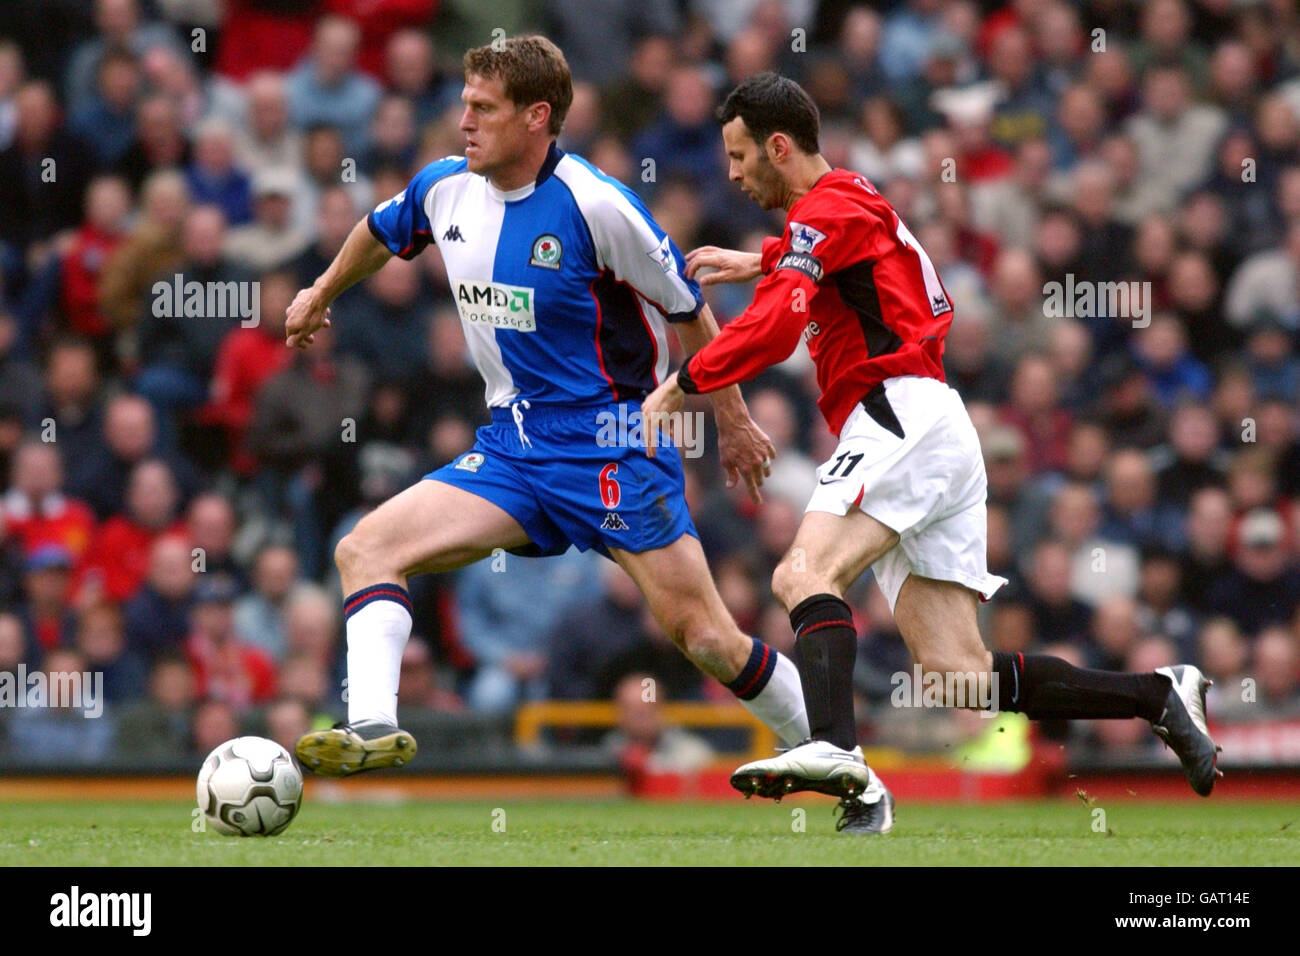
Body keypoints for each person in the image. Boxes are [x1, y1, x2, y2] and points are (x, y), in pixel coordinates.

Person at [640, 73, 1221, 833]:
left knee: (802, 571)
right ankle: (1157, 694)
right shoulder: (846, 200)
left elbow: (780, 328)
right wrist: (766, 261)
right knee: (957, 678)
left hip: (898, 410)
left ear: (779, 146)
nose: (733, 172)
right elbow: (843, 260)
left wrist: (683, 382)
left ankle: (840, 752)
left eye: (741, 154)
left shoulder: (830, 208)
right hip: (932, 424)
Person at [285, 39, 832, 809]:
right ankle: (373, 725)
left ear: (537, 117)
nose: (464, 121)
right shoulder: (444, 188)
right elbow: (380, 231)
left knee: (706, 637)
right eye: (464, 103)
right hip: (512, 447)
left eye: (483, 108)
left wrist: (732, 419)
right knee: (366, 546)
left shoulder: (599, 205)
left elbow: (690, 312)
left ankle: (835, 752)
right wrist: (321, 290)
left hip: (613, 443)